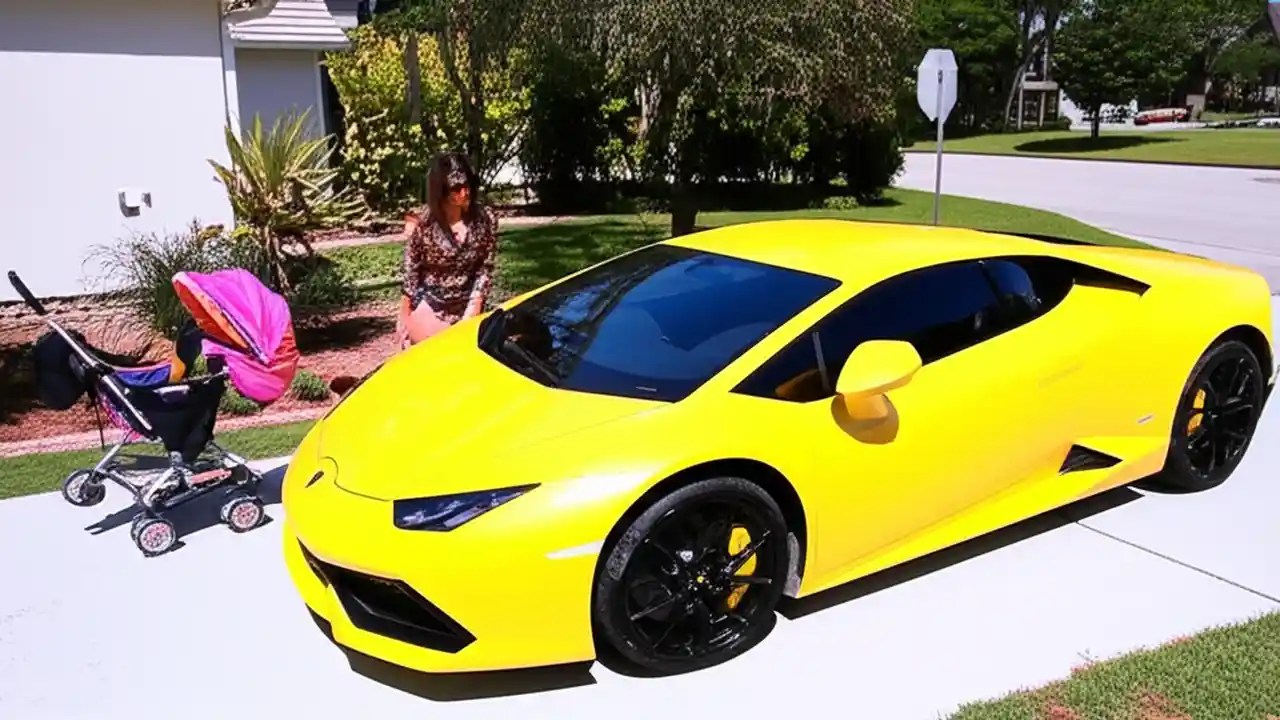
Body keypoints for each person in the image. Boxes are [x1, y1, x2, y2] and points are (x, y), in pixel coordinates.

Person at [397, 152, 499, 348]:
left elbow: (485, 270)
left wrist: (473, 311)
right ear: (440, 190)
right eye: (456, 188)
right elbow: (411, 270)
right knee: (437, 352)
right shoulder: (422, 224)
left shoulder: (486, 220)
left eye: (467, 184)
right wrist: (404, 314)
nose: (465, 192)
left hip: (468, 304)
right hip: (432, 306)